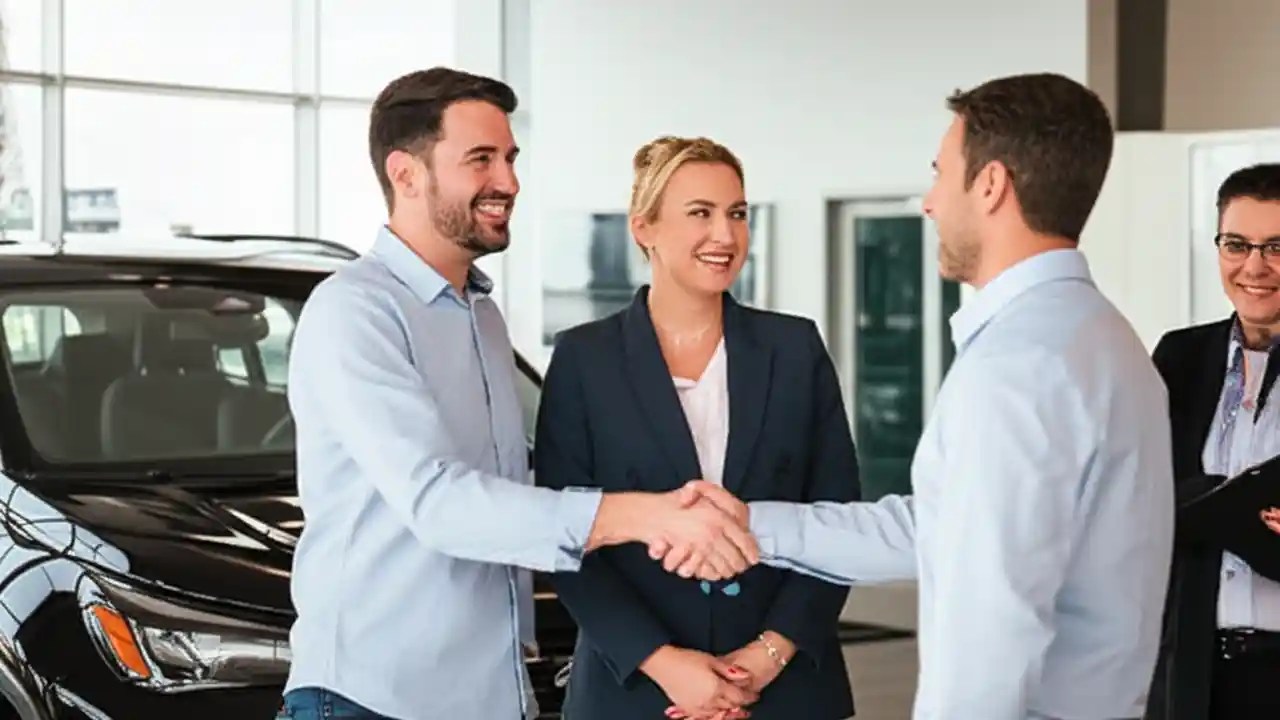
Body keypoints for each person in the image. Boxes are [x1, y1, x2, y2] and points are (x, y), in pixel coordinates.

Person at [674, 73, 1176, 720]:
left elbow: (992, 626)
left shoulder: (1017, 366)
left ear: (990, 184)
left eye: (941, 174)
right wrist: (750, 526)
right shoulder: (1104, 338)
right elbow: (940, 526)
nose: (931, 202)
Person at [278, 68, 759, 720]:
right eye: (481, 159)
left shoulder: (480, 314)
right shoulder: (354, 311)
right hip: (371, 700)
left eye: (510, 158)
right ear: (406, 174)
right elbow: (441, 504)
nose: (508, 181)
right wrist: (648, 516)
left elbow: (518, 488)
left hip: (491, 695)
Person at [535, 136, 859, 720]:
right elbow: (565, 535)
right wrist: (665, 665)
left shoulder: (795, 348)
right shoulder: (585, 359)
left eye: (737, 213)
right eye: (700, 213)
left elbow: (839, 516)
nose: (725, 235)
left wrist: (767, 656)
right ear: (644, 228)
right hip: (634, 691)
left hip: (784, 690)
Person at [1145, 163, 1280, 719]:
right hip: (1197, 669)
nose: (1255, 266)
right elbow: (1146, 490)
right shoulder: (1180, 357)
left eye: (1277, 247)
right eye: (1237, 244)